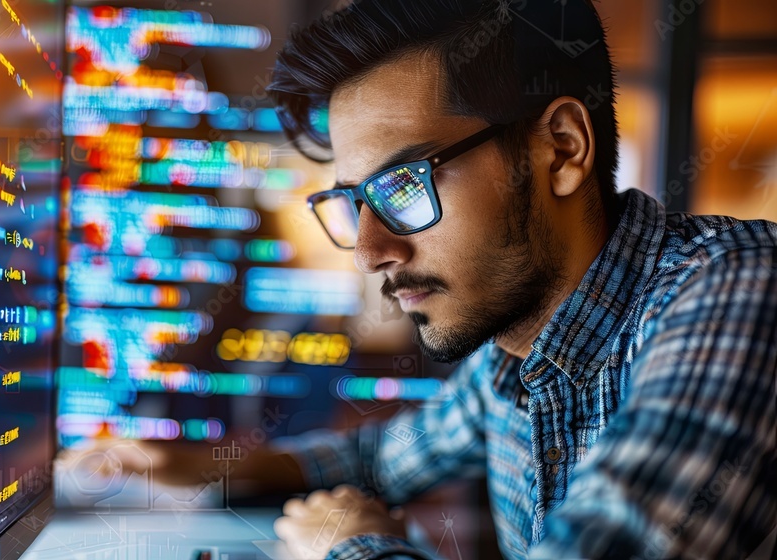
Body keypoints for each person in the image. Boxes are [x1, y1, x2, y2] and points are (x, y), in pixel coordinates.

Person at [78, 0, 777, 558]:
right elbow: (380, 458)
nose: (370, 250)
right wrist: (214, 469)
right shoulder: (515, 358)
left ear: (561, 149)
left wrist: (352, 549)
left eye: (404, 185)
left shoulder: (739, 291)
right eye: (352, 204)